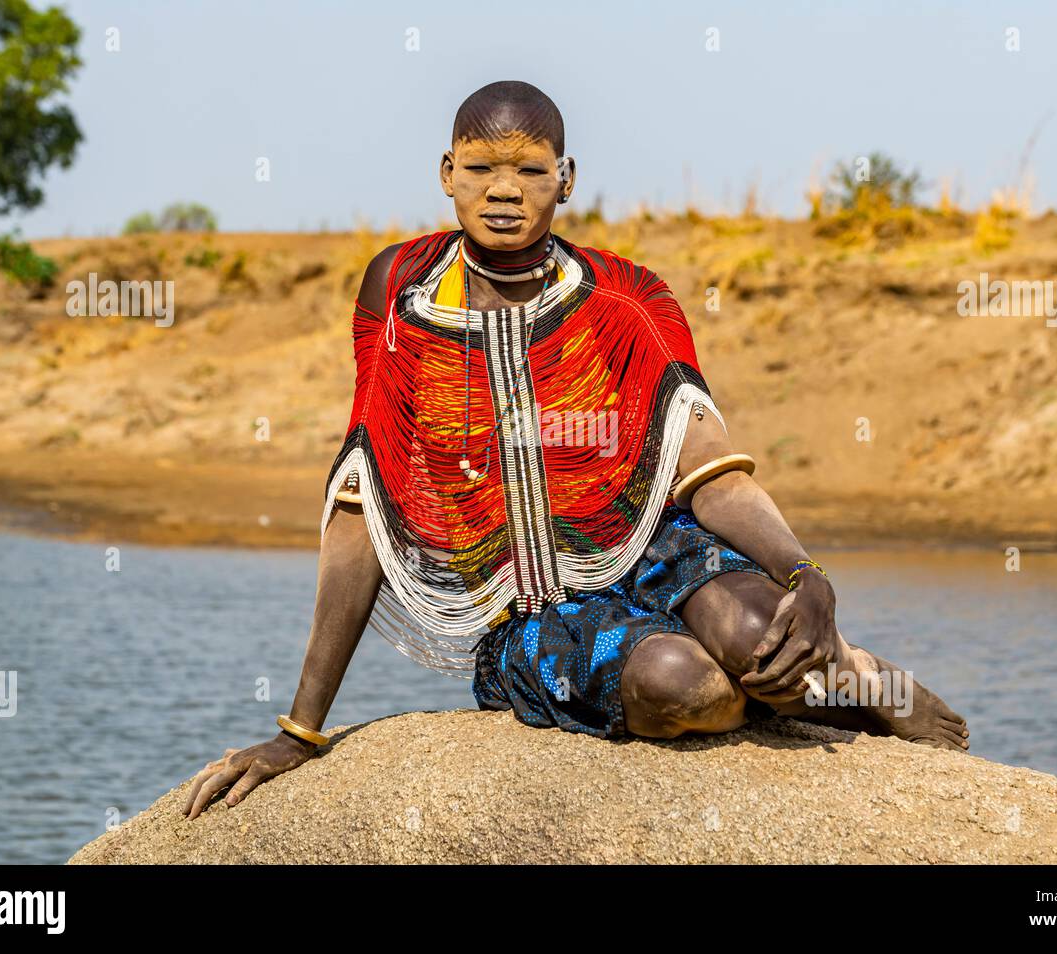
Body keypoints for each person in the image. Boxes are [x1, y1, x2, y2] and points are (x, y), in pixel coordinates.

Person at [183, 80, 968, 821]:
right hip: (526, 609)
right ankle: (781, 689)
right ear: (446, 174)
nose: (503, 188)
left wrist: (807, 575)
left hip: (656, 547)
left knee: (777, 650)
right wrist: (301, 732)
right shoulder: (401, 295)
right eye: (481, 167)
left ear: (566, 180)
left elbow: (711, 475)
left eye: (529, 168)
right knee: (689, 688)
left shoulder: (624, 299)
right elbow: (364, 503)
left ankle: (858, 677)